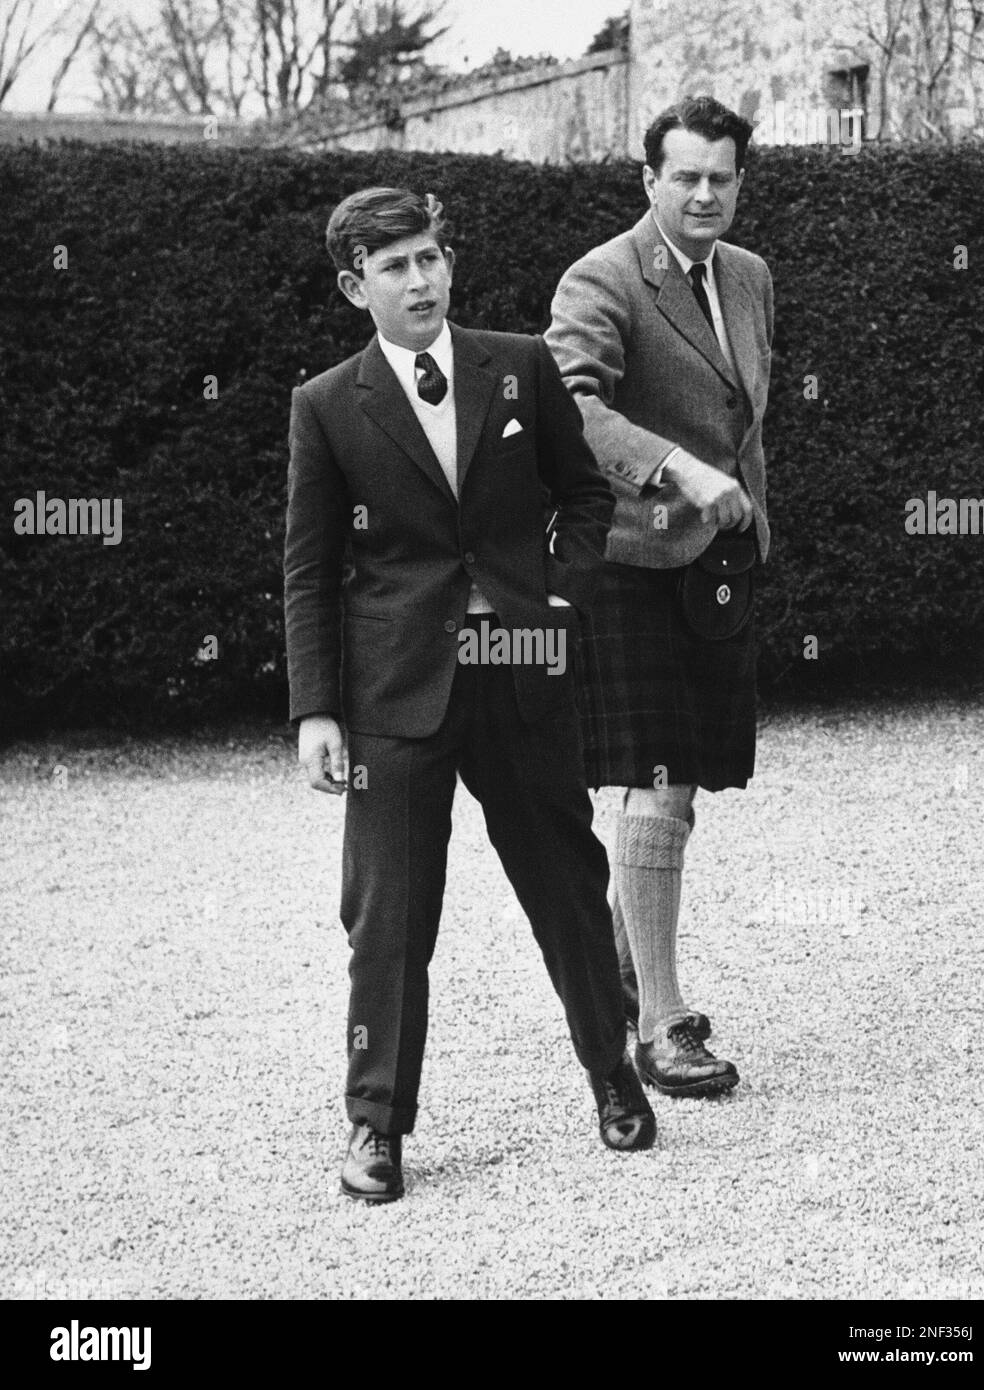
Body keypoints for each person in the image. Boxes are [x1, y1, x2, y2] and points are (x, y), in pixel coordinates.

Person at [283, 186, 656, 1204]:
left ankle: (613, 1074)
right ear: (356, 285)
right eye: (395, 265)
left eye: (430, 257)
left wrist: (561, 604)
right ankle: (375, 1123)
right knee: (389, 918)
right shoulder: (325, 406)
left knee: (567, 891)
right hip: (396, 693)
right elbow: (310, 569)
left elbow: (585, 495)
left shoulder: (522, 366)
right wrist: (318, 709)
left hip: (521, 668)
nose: (421, 279)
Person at [545, 96, 774, 1099]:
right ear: (649, 181)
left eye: (720, 176)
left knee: (681, 797)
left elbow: (743, 417)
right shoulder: (603, 276)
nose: (703, 193)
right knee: (652, 783)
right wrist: (676, 468)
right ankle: (659, 1024)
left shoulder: (751, 278)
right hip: (624, 563)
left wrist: (752, 519)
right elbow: (569, 405)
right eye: (684, 175)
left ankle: (635, 970)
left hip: (716, 566)